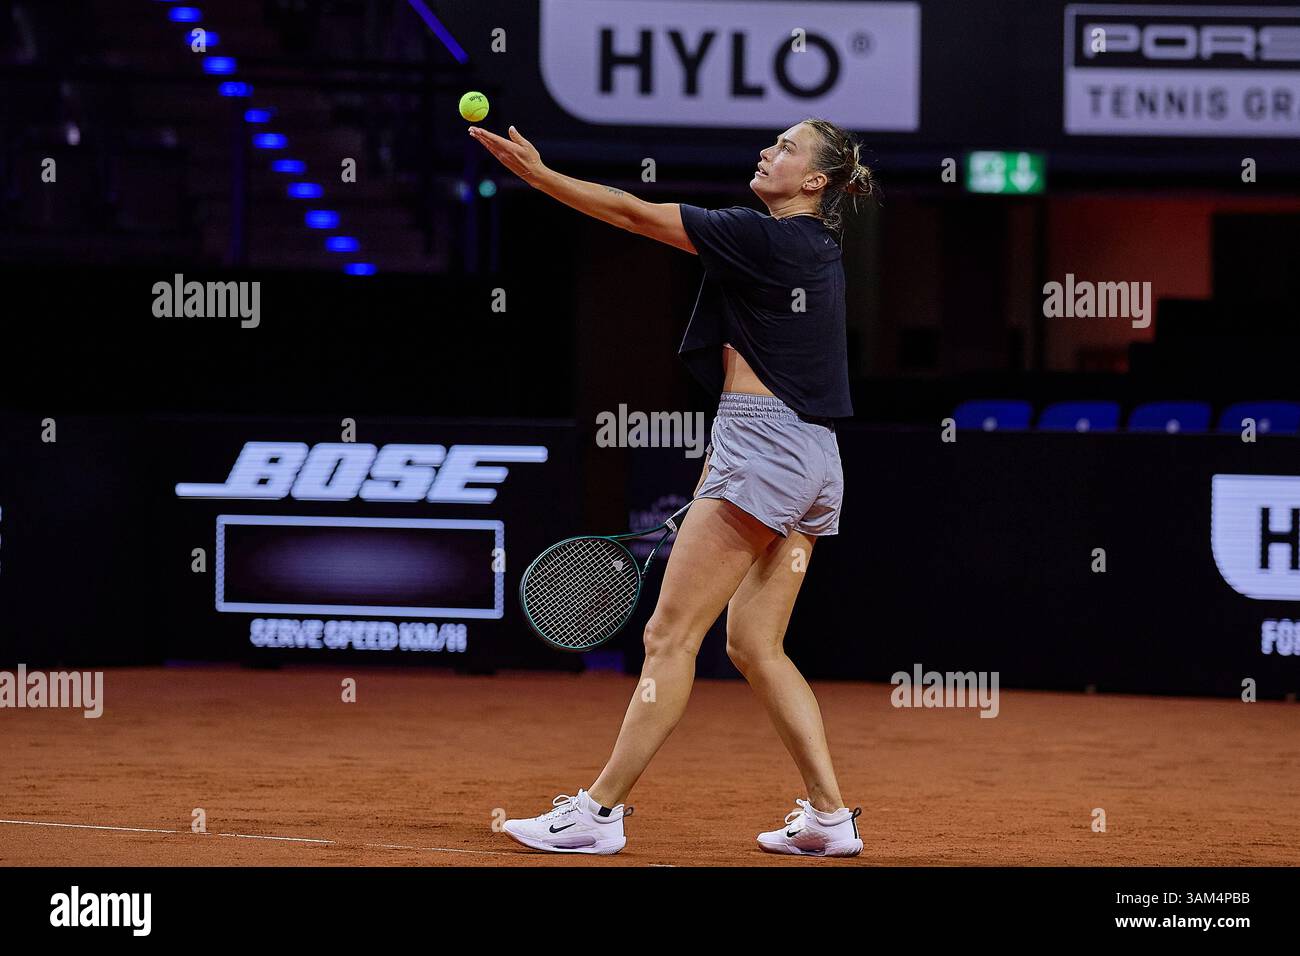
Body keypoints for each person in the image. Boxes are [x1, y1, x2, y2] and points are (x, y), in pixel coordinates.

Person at [470, 117, 873, 856]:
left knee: (667, 636)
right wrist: (730, 467)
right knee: (756, 645)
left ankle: (598, 813)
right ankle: (828, 816)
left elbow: (630, 212)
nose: (767, 151)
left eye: (785, 148)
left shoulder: (766, 235)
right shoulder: (820, 250)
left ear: (815, 182)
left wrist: (540, 176)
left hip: (765, 449)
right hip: (814, 461)